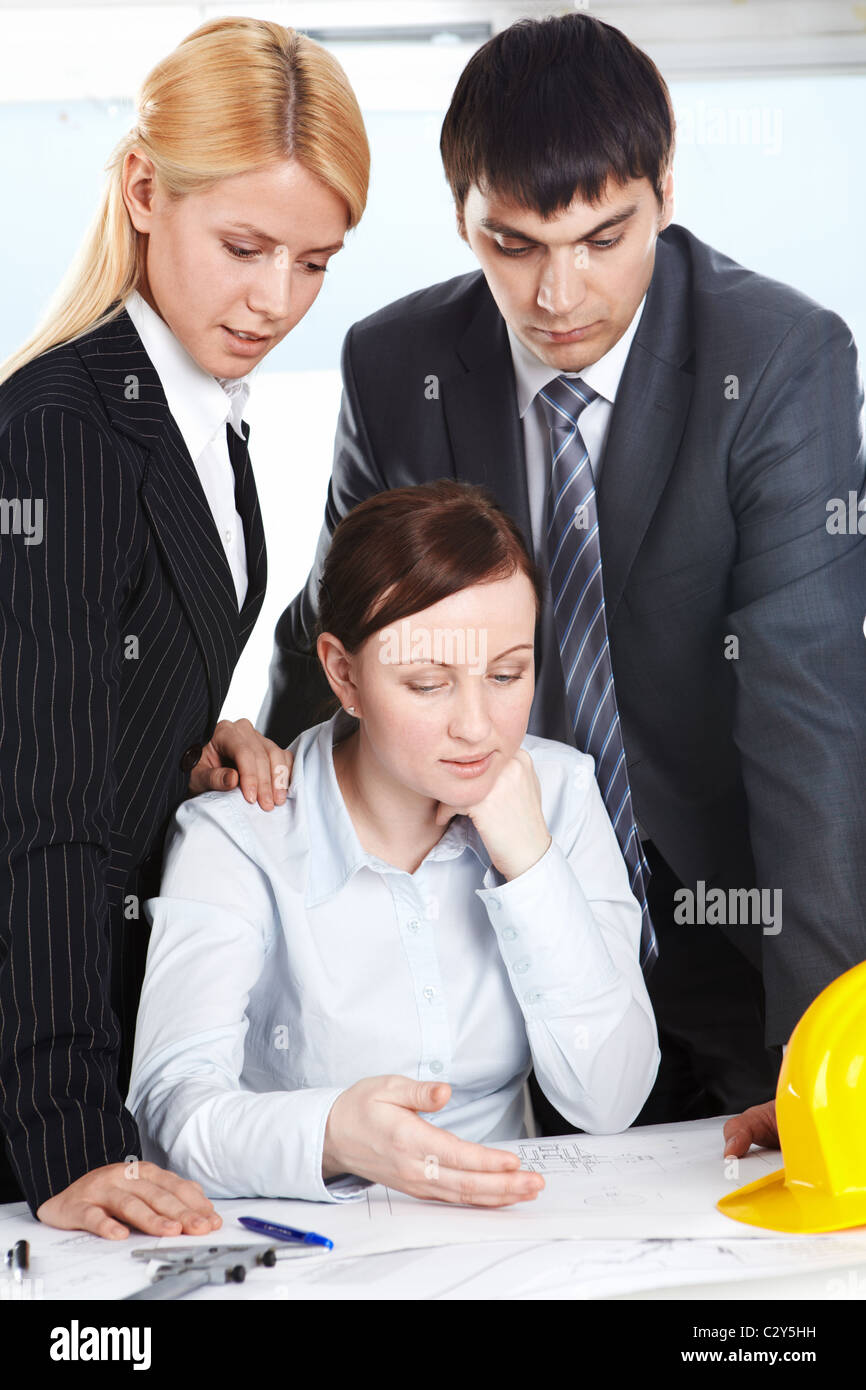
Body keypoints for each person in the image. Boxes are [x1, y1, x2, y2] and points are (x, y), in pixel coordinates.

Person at [257, 11, 866, 1148]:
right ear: (460, 221)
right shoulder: (397, 366)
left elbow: (809, 714)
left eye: (601, 237)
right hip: (477, 916)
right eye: (515, 245)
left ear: (664, 191)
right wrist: (252, 781)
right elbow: (335, 630)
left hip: (731, 926)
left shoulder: (779, 359)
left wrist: (830, 1048)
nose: (557, 294)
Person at [0, 15, 369, 1236]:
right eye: (246, 246)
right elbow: (38, 804)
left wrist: (181, 734)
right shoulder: (64, 425)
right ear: (146, 191)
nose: (276, 299)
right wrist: (65, 1133)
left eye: (314, 262)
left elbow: (90, 670)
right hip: (38, 1055)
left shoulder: (198, 401)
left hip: (111, 994)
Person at [126, 481, 660, 1205]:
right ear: (344, 673)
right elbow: (171, 1114)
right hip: (307, 1243)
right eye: (427, 684)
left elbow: (612, 1098)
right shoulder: (240, 836)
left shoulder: (559, 792)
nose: (477, 726)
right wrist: (335, 1136)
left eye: (507, 673)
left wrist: (531, 862)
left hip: (513, 1236)